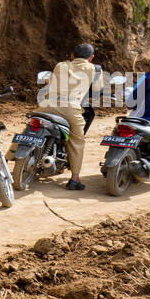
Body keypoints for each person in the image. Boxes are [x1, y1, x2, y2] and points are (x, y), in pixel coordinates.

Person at [42, 42, 99, 190]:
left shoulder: (60, 65)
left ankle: (11, 155)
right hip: (70, 108)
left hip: (46, 105)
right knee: (77, 141)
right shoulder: (92, 68)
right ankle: (74, 178)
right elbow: (98, 88)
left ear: (72, 56)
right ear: (91, 58)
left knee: (31, 126)